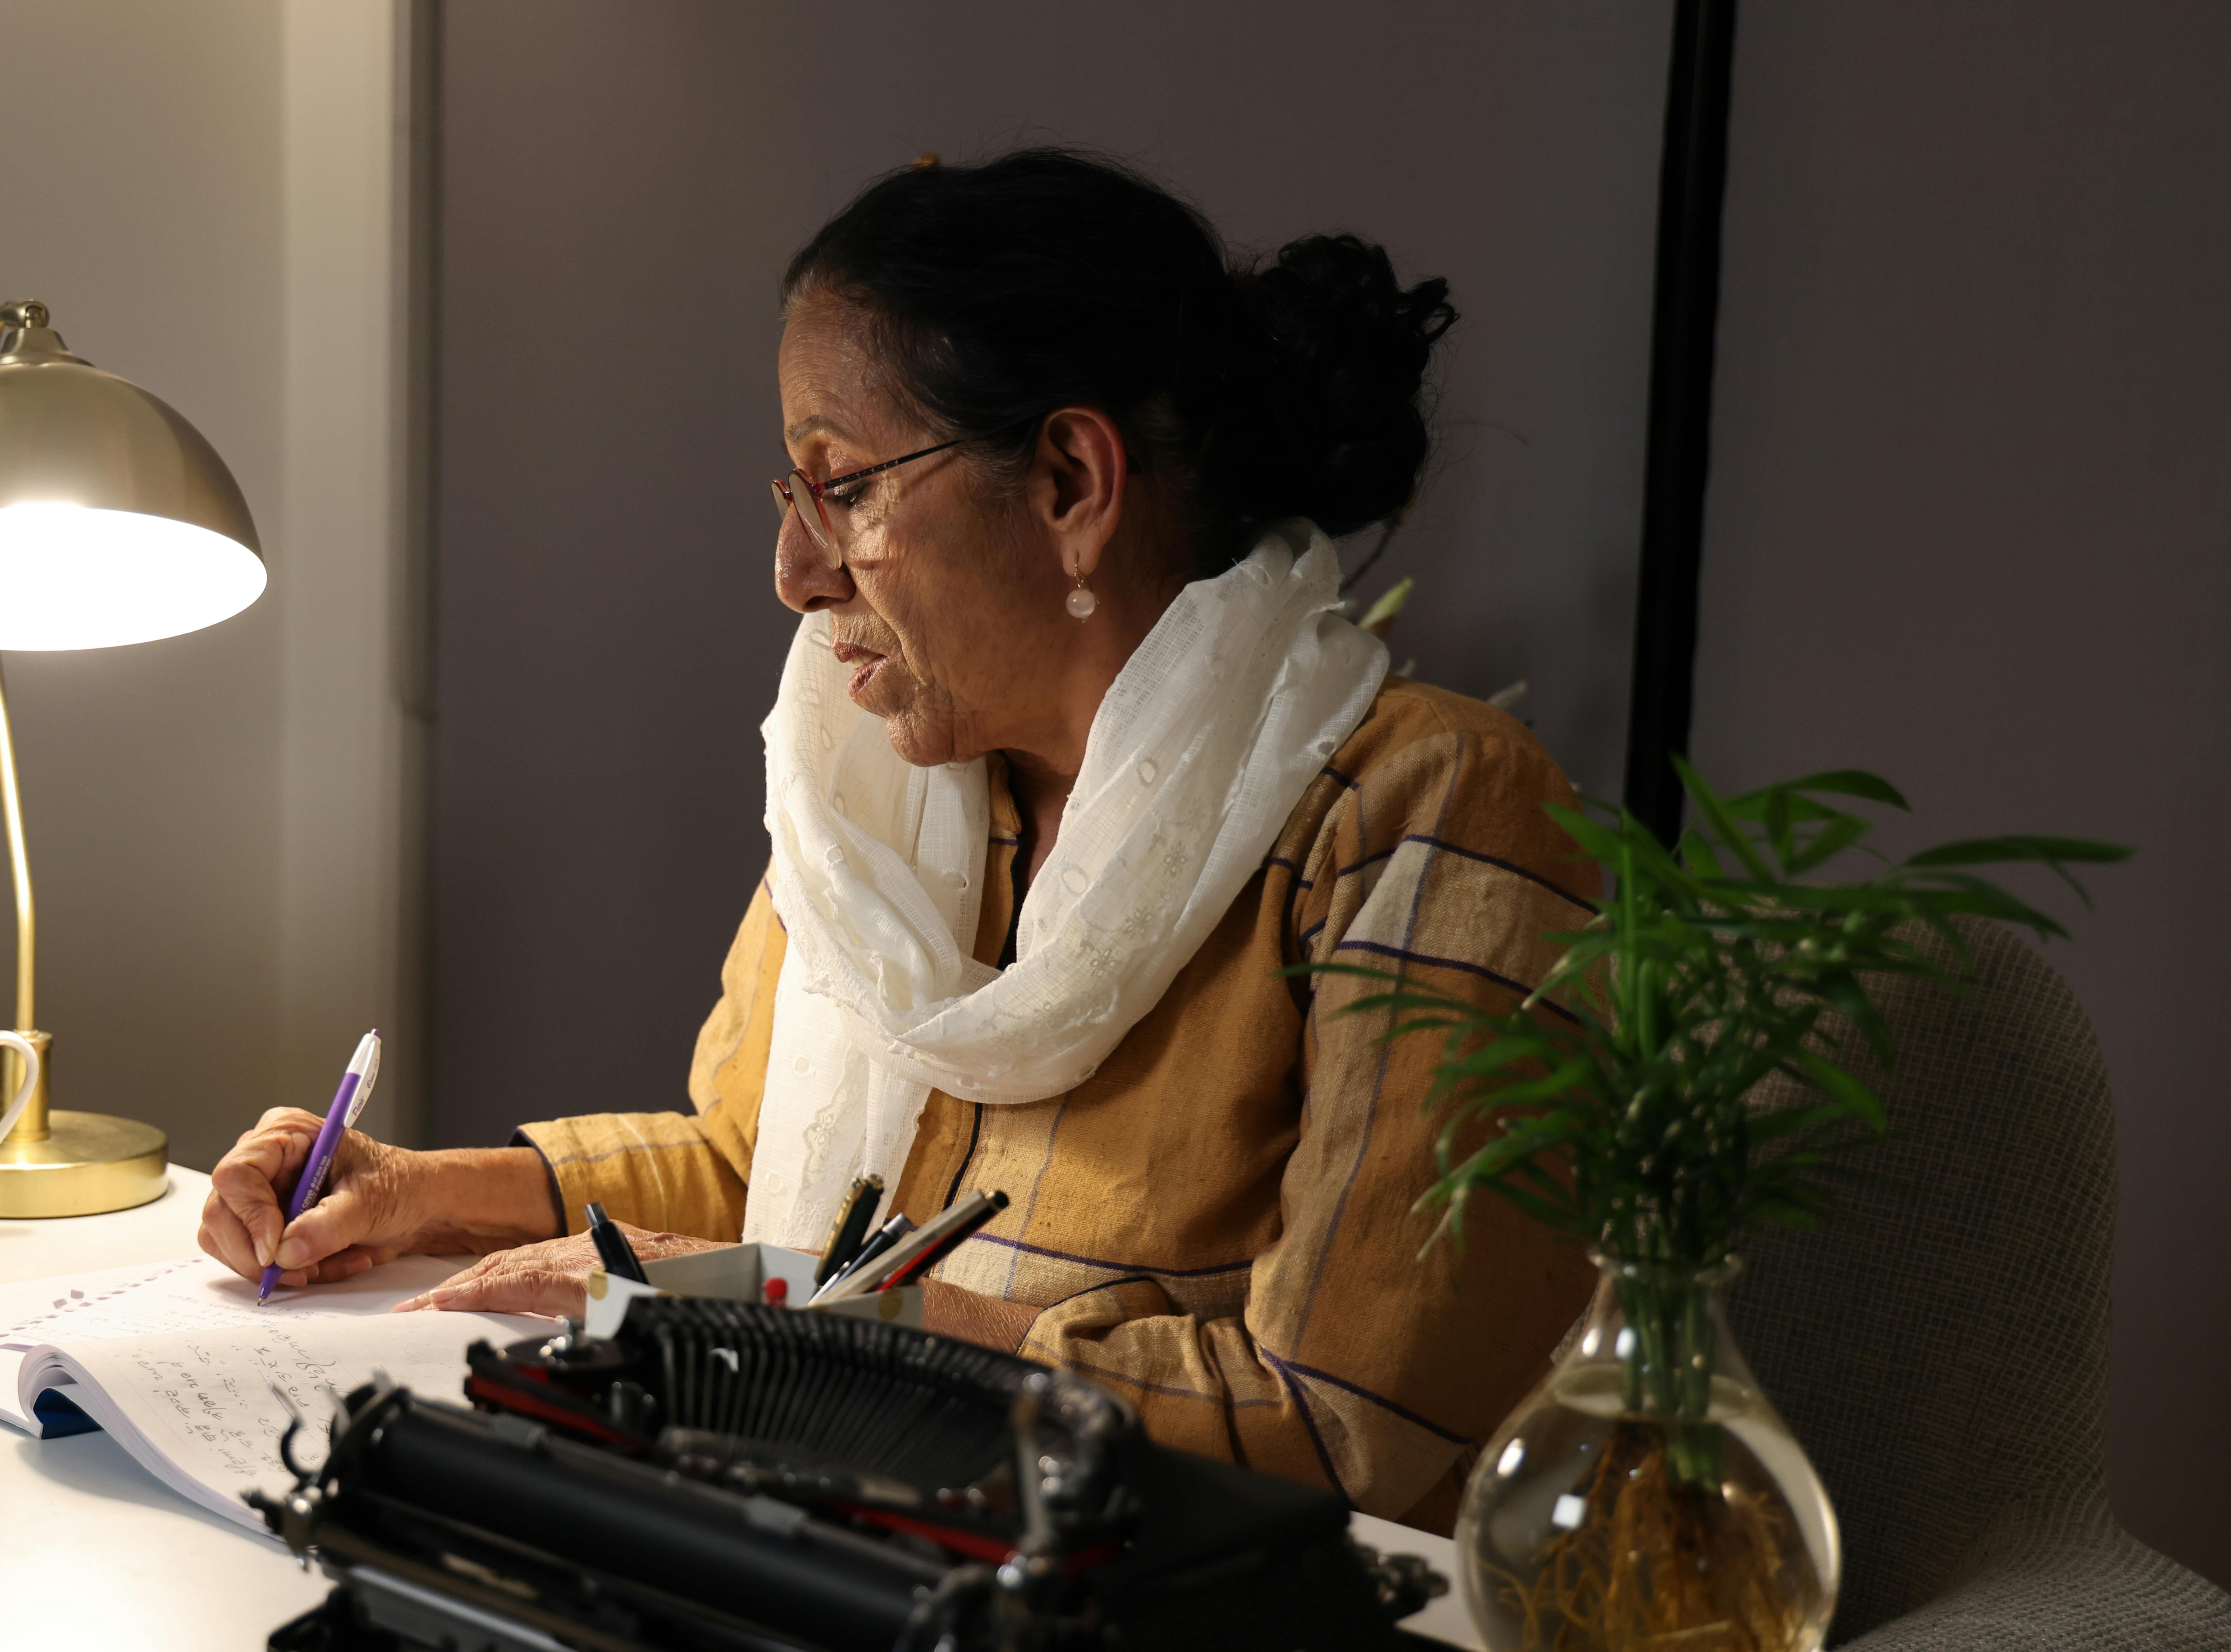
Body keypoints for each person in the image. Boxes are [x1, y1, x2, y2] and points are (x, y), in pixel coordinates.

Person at [200, 150, 1594, 1531]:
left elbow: (1349, 1433)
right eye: (791, 496)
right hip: (823, 1552)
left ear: (1066, 481)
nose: (795, 575)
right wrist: (429, 1194)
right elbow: (757, 1173)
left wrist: (769, 1311)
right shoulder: (872, 799)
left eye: (844, 488)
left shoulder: (1420, 810)